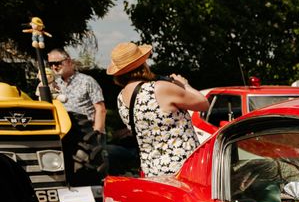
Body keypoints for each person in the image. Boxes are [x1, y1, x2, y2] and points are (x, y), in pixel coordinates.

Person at [108, 42, 208, 178]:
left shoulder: (120, 97)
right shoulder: (159, 88)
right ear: (143, 64)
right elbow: (203, 103)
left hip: (152, 171)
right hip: (183, 169)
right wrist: (185, 85)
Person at [46, 49, 106, 134]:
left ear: (69, 61)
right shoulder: (54, 84)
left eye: (57, 63)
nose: (54, 67)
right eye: (50, 64)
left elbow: (100, 109)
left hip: (88, 133)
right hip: (64, 133)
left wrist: (97, 132)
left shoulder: (87, 81)